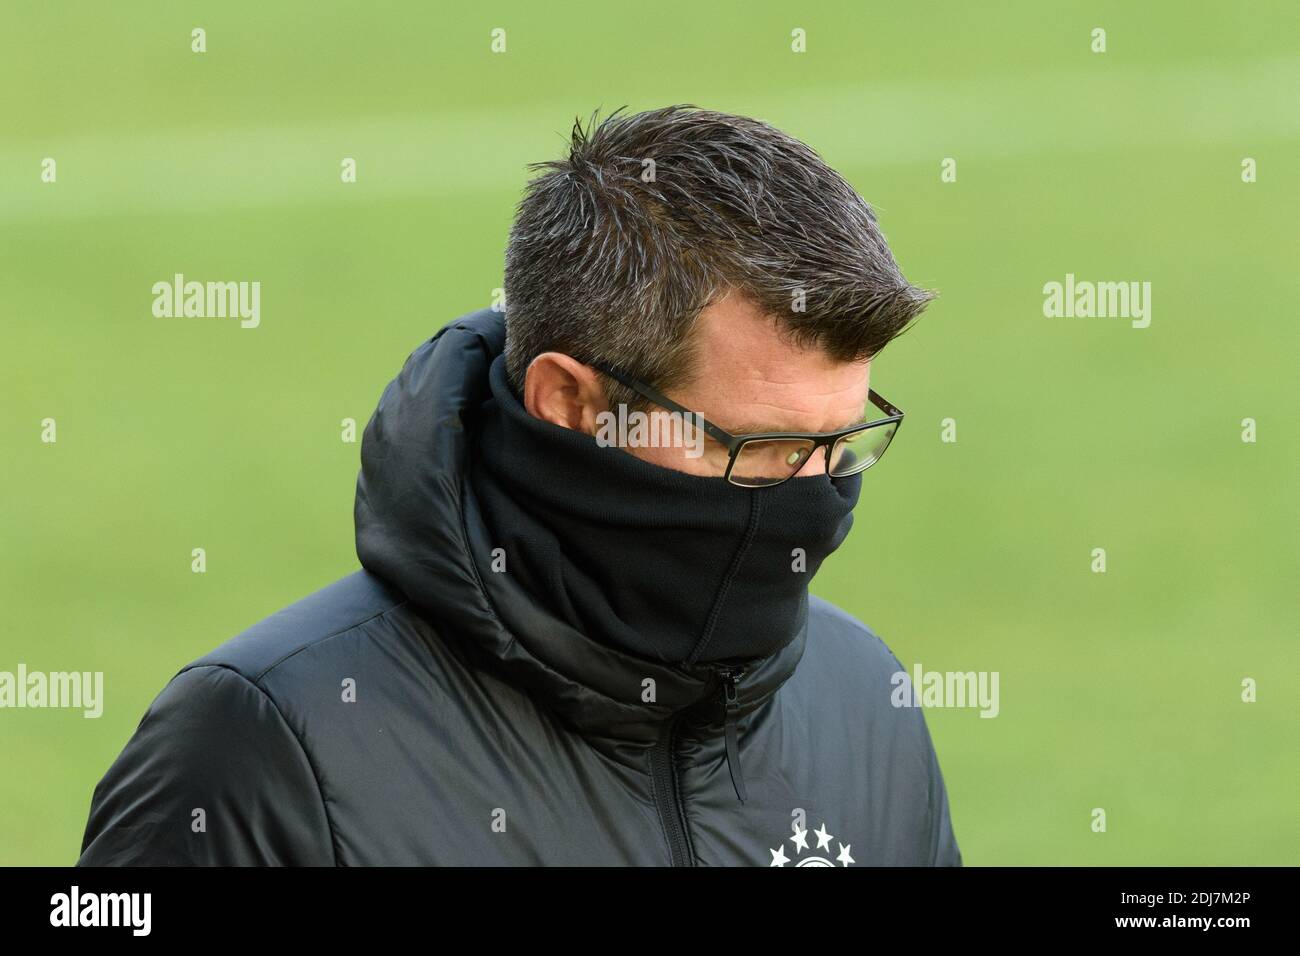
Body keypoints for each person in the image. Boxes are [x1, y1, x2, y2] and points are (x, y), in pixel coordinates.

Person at [77, 106, 961, 866]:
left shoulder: (861, 700)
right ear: (571, 402)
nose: (816, 495)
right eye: (761, 447)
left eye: (841, 442)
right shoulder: (267, 748)